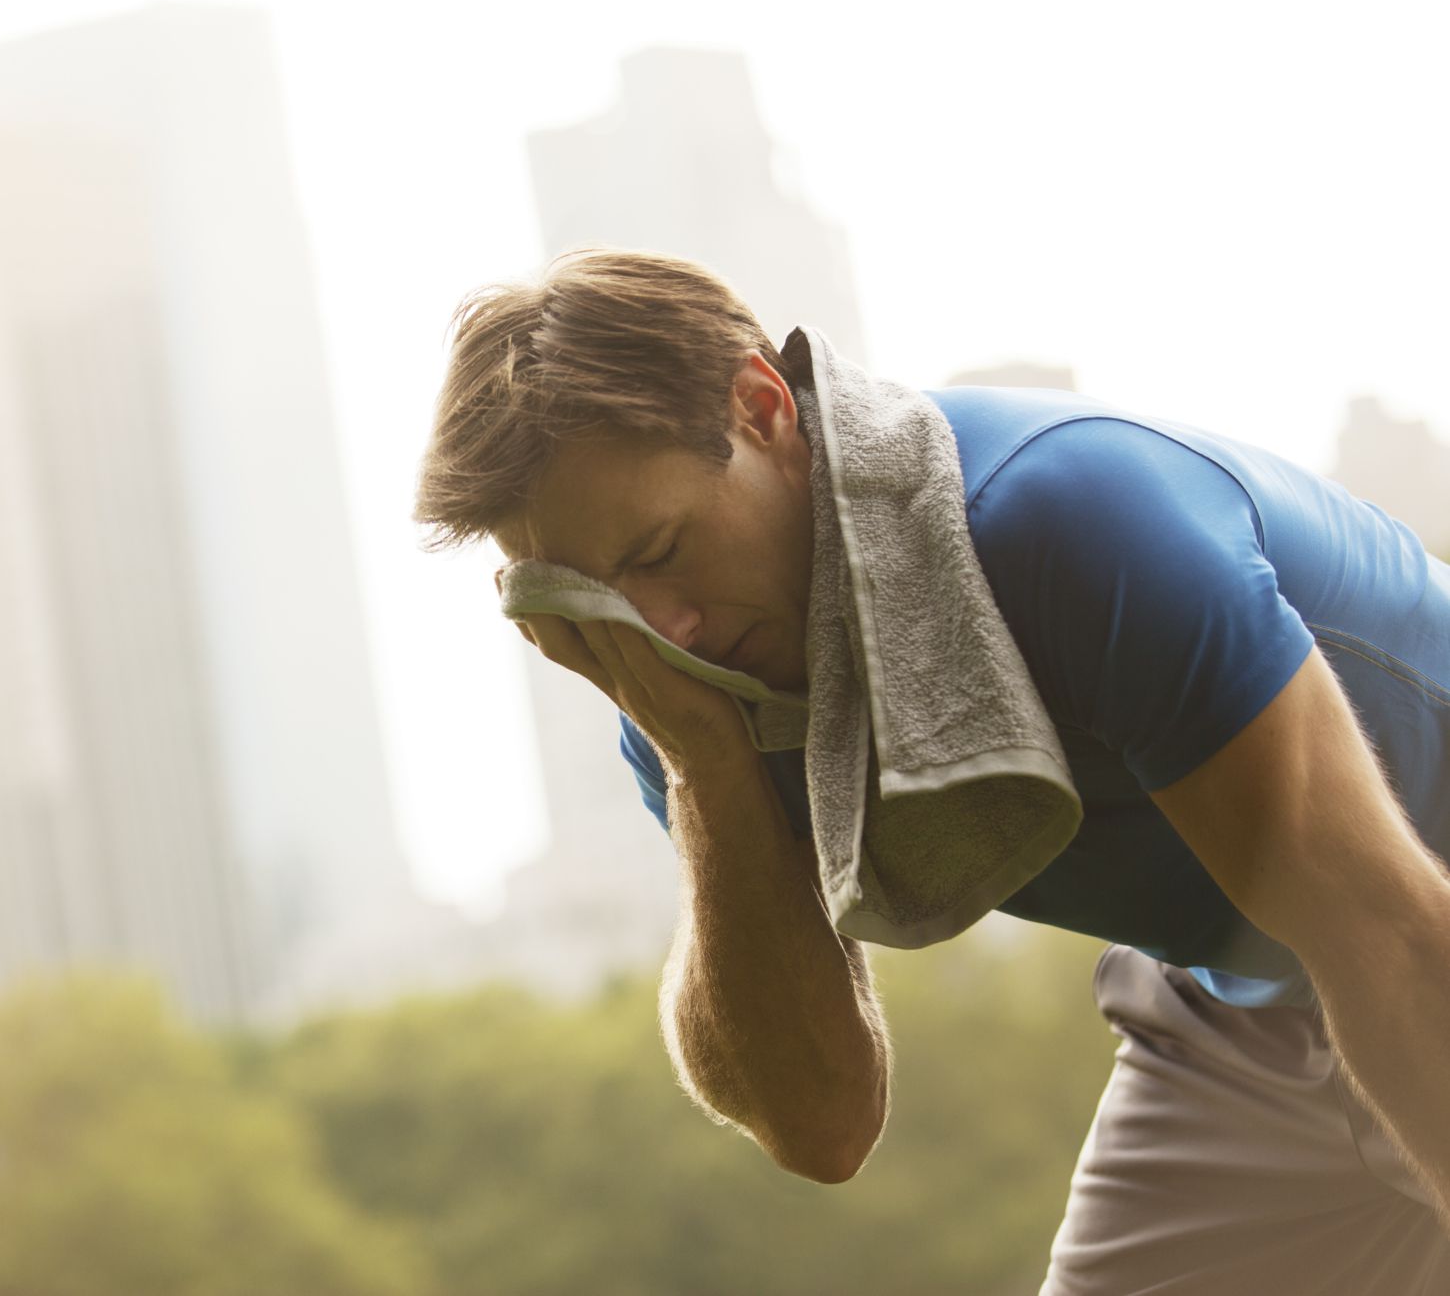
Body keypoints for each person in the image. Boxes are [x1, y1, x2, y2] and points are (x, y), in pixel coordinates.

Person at [413, 246, 1450, 1293]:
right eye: (595, 600)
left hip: (1406, 922)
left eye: (662, 548)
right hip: (1250, 989)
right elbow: (818, 1123)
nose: (658, 626)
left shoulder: (1069, 517)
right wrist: (702, 769)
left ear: (762, 406)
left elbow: (1388, 931)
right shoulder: (690, 692)